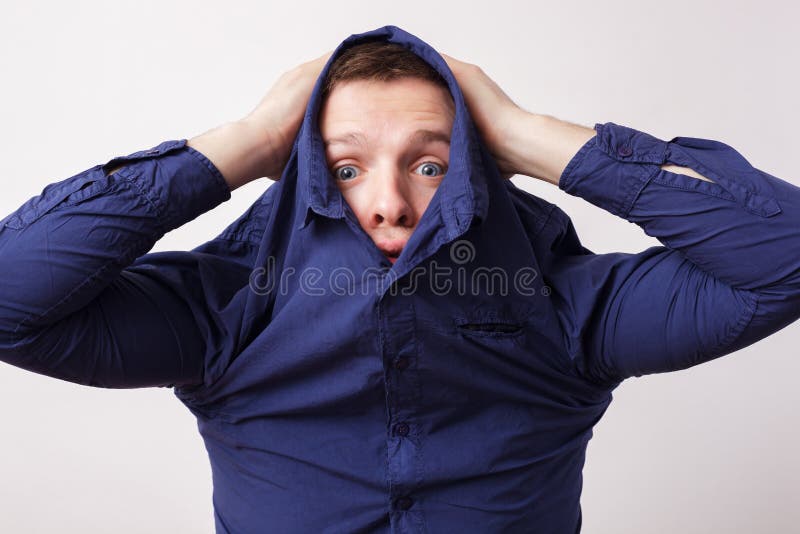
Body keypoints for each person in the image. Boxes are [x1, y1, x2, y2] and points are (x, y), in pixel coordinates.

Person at [1, 24, 798, 533]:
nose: (389, 204)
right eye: (345, 167)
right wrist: (246, 141)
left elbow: (785, 259)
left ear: (477, 179)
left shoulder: (569, 307)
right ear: (302, 174)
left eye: (429, 164)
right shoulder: (225, 309)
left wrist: (523, 133)